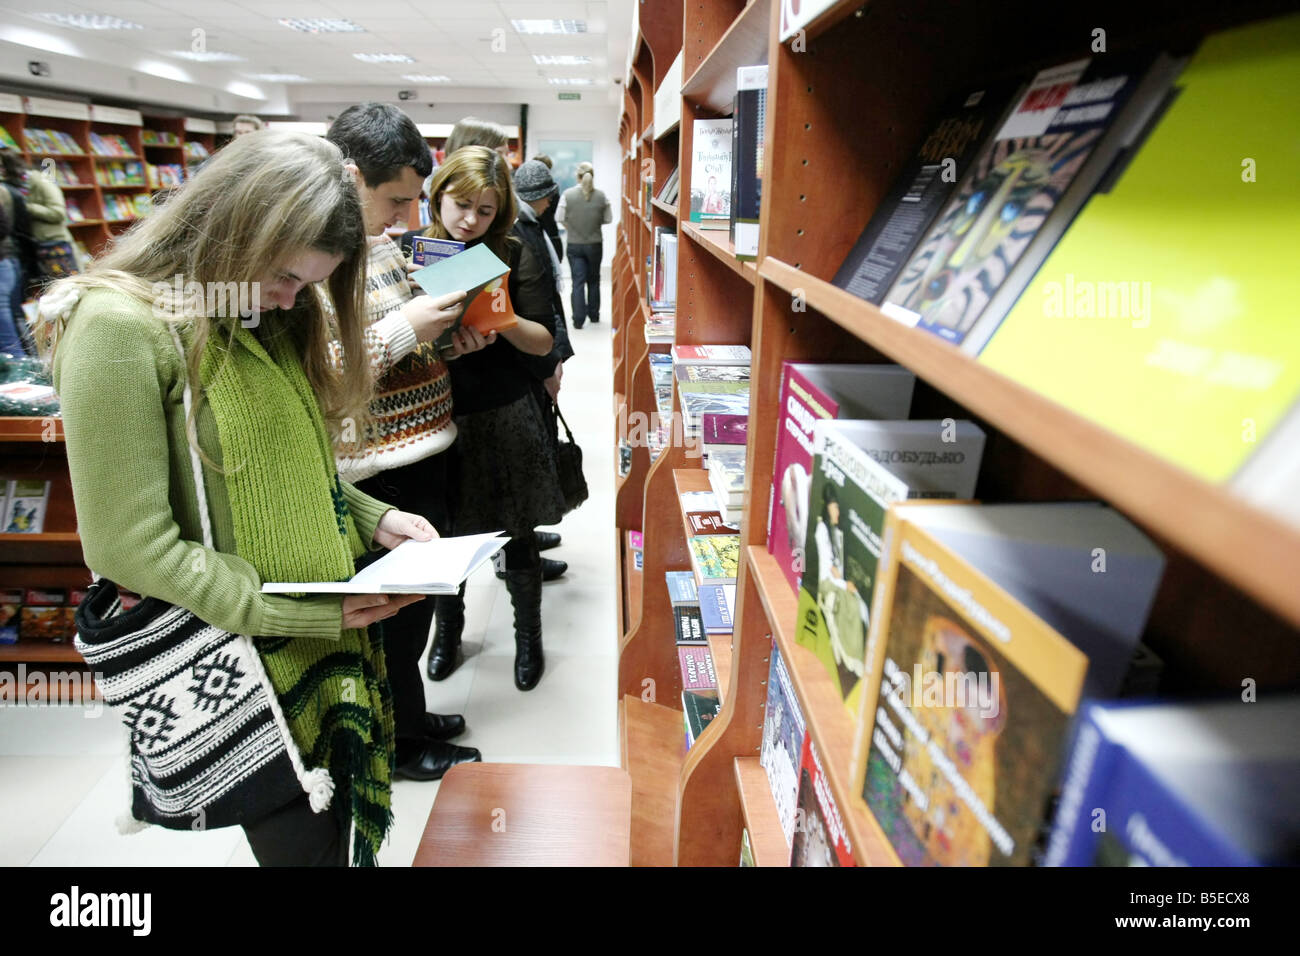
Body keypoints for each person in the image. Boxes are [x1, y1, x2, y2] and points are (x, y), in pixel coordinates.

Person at [40, 130, 432, 866]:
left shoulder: (259, 312)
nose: (291, 297)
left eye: (307, 283)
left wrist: (374, 518)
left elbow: (282, 462)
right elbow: (128, 544)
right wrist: (287, 610)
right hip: (246, 661)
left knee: (334, 841)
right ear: (232, 230)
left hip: (322, 647)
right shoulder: (120, 329)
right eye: (284, 274)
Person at [325, 103, 485, 782]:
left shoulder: (382, 239)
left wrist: (451, 334)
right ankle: (396, 743)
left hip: (425, 451)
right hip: (376, 472)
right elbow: (322, 369)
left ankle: (412, 715)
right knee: (390, 618)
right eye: (393, 199)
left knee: (415, 610)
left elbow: (403, 333)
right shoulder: (315, 257)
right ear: (348, 177)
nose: (402, 214)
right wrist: (403, 331)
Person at [417, 147, 564, 691]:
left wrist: (501, 323)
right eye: (461, 206)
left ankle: (529, 638)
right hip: (436, 412)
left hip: (503, 408)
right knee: (443, 532)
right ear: (438, 196)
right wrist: (444, 348)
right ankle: (447, 633)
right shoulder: (412, 253)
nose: (470, 221)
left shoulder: (513, 250)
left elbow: (545, 339)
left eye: (484, 210)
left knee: (516, 529)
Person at [555, 161, 611, 328]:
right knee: (594, 280)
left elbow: (559, 217)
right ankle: (594, 315)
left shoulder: (567, 195)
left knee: (577, 282)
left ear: (577, 176)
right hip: (594, 244)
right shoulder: (602, 196)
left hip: (574, 244)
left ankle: (578, 320)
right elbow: (608, 219)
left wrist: (570, 226)